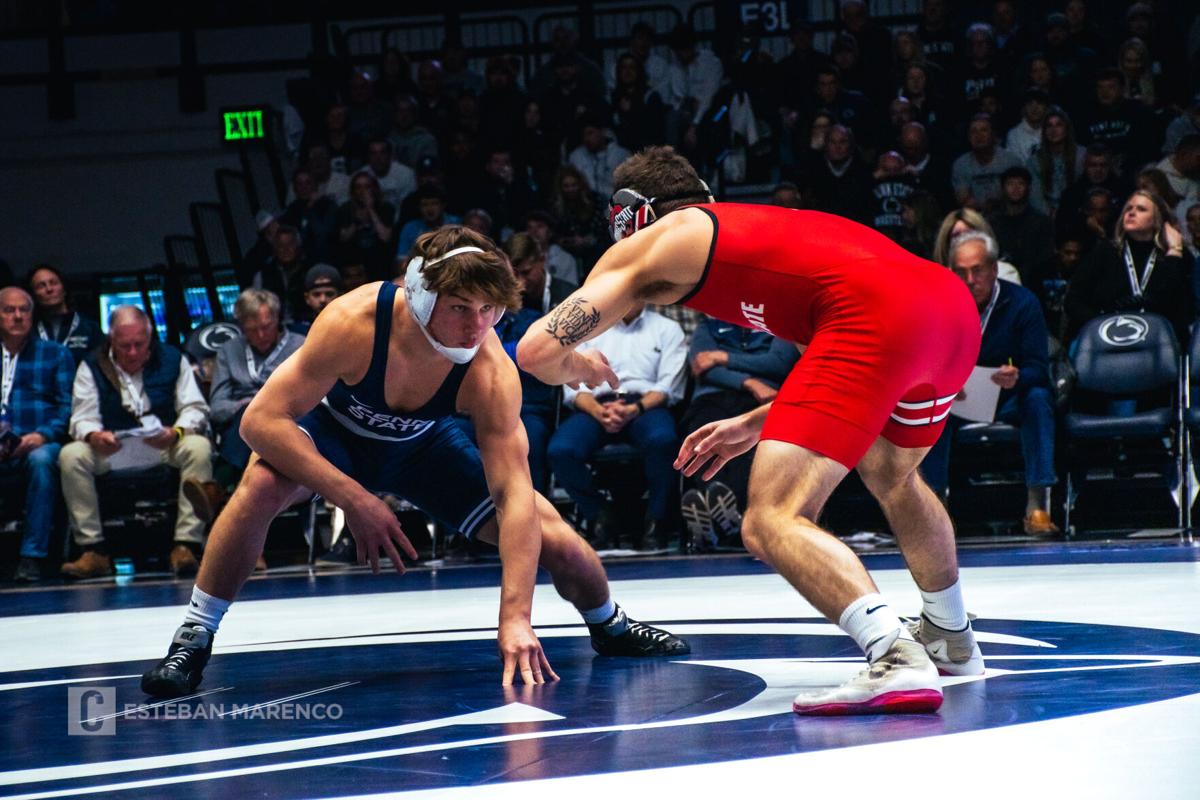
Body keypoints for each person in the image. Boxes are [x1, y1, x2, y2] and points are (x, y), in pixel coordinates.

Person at [517, 146, 985, 716]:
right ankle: (949, 633)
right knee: (894, 475)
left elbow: (536, 350)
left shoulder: (656, 240)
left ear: (631, 217)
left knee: (770, 517)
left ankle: (894, 654)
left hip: (875, 317)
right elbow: (840, 367)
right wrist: (757, 422)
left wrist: (580, 365)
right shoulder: (753, 229)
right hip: (947, 313)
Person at [140, 226, 687, 699]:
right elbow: (259, 423)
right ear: (422, 296)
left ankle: (610, 625)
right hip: (336, 435)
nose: (475, 327)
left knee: (557, 540)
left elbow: (514, 496)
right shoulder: (355, 320)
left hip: (424, 449)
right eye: (460, 308)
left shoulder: (489, 370)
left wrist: (515, 618)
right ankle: (194, 636)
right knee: (260, 485)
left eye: (489, 310)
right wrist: (353, 498)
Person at [920, 232, 1059, 536]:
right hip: (959, 399)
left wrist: (1018, 376)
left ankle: (1037, 504)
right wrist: (942, 381)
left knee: (1038, 398)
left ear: (994, 269)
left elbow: (1039, 369)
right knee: (928, 406)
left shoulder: (1022, 303)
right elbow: (924, 365)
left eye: (978, 270)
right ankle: (933, 509)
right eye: (961, 272)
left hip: (1009, 396)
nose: (970, 280)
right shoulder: (940, 305)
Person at [59, 306, 213, 579]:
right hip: (113, 448)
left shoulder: (172, 358)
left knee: (198, 447)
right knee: (71, 455)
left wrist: (176, 432)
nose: (132, 352)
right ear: (111, 339)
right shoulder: (92, 364)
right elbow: (81, 417)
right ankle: (93, 549)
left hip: (162, 445)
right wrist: (94, 435)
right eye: (124, 346)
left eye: (139, 345)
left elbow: (194, 407)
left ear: (150, 338)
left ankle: (186, 545)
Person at [547, 302, 687, 551]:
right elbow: (572, 386)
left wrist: (634, 409)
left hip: (645, 405)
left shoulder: (667, 328)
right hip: (595, 405)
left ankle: (657, 523)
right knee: (561, 450)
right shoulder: (587, 328)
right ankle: (601, 516)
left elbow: (669, 387)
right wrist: (598, 411)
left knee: (664, 441)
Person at [680, 315, 799, 551]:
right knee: (703, 439)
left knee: (751, 445)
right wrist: (750, 382)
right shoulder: (709, 324)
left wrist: (723, 357)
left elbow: (777, 364)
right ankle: (722, 521)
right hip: (714, 396)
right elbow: (702, 368)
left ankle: (726, 523)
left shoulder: (781, 320)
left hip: (763, 401)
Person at [188, 288, 305, 527]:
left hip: (290, 419)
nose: (261, 335)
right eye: (252, 329)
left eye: (266, 326)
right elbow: (218, 407)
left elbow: (311, 394)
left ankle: (216, 488)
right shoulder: (229, 351)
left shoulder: (300, 346)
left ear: (277, 319)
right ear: (241, 326)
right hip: (242, 424)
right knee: (250, 416)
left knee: (257, 417)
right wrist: (246, 405)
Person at [0, 287, 74, 582]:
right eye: (9, 310)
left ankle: (32, 556)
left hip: (38, 441)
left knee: (42, 461)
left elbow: (67, 407)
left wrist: (41, 436)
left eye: (24, 310)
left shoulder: (56, 354)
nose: (18, 316)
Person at [1064, 189, 1190, 343]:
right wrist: (1102, 325)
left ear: (1158, 219)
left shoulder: (1175, 255)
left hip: (1159, 342)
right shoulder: (1105, 252)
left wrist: (1174, 252)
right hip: (1106, 339)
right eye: (1129, 208)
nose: (1131, 213)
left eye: (1141, 209)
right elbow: (1073, 300)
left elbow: (1180, 305)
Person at [987, 166, 1054, 284]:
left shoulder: (1041, 222)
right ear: (1003, 188)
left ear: (1028, 188)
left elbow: (1045, 257)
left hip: (1033, 281)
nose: (1015, 188)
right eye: (1010, 184)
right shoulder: (992, 222)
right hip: (999, 279)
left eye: (1021, 183)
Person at [24, 264, 103, 364]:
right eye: (41, 286)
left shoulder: (89, 328)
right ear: (33, 295)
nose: (49, 289)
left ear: (64, 289)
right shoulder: (28, 331)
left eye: (53, 283)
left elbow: (102, 364)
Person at [287, 264, 341, 336]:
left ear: (340, 296)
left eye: (329, 294)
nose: (323, 300)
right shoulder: (297, 331)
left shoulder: (351, 325)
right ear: (307, 298)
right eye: (316, 295)